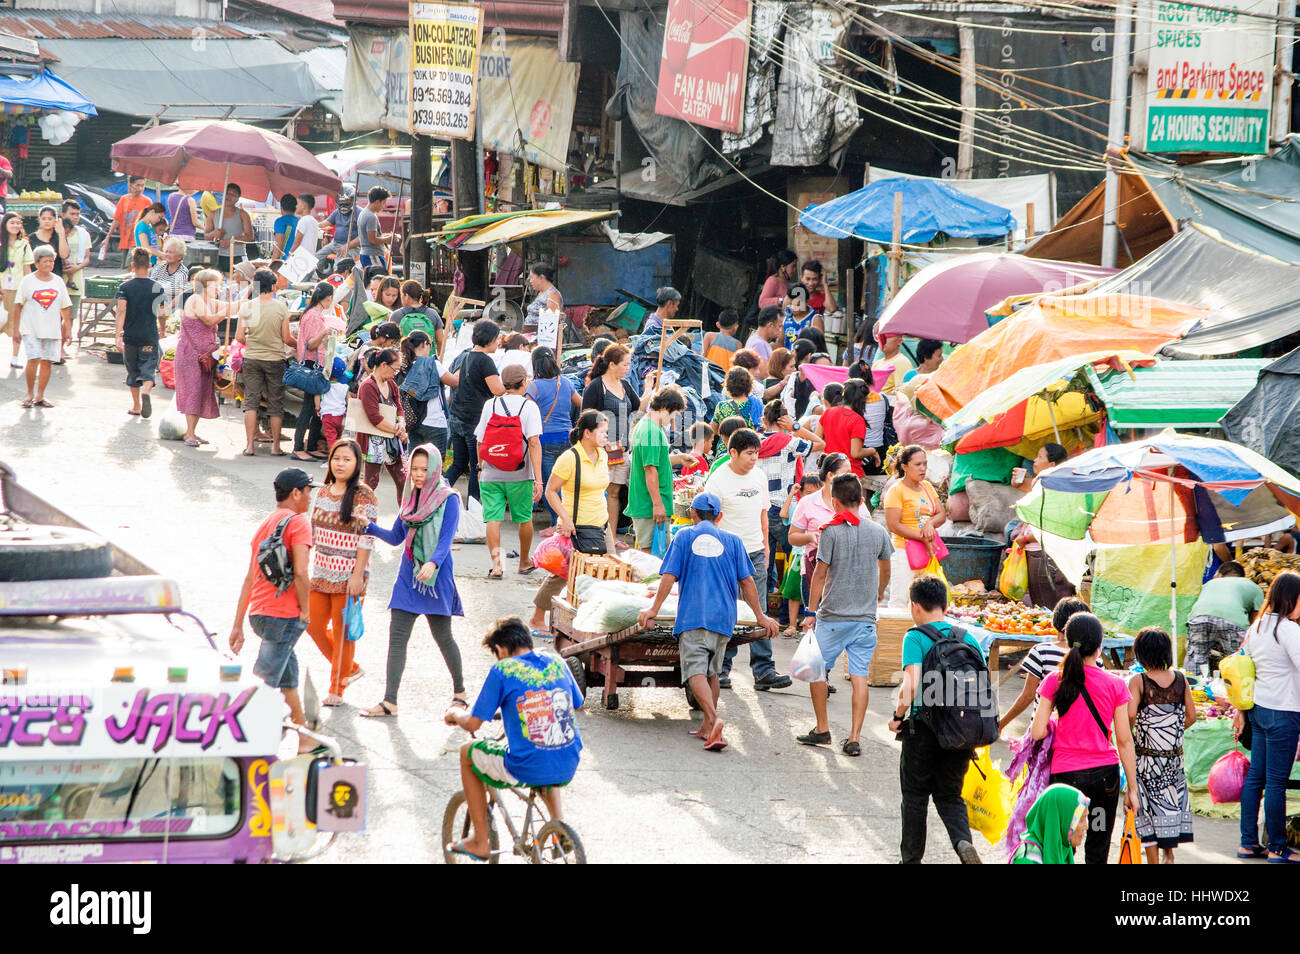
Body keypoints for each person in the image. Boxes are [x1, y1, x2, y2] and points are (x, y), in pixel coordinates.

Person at [639, 492, 780, 751]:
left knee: (694, 670)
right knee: (712, 672)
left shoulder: (684, 536)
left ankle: (714, 720)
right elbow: (748, 581)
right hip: (724, 618)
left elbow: (669, 577)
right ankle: (706, 726)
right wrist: (760, 616)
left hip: (694, 615)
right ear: (720, 516)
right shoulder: (734, 541)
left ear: (692, 513)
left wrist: (653, 610)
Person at [443, 616, 583, 861]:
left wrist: (455, 713)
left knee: (467, 752)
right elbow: (577, 703)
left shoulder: (503, 669)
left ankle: (480, 841)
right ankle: (558, 827)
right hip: (569, 761)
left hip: (526, 765)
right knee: (546, 751)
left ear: (500, 649)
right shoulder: (556, 661)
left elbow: (474, 722)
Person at [362, 444, 467, 718]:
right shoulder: (410, 498)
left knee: (443, 637)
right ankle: (389, 702)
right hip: (409, 576)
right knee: (396, 639)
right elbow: (397, 536)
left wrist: (432, 563)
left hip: (436, 576)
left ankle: (460, 694)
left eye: (424, 469)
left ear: (434, 468)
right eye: (414, 469)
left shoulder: (448, 498)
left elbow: (445, 541)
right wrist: (368, 526)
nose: (418, 475)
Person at [888, 575, 987, 864]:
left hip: (924, 730)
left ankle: (911, 861)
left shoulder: (915, 636)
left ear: (915, 606)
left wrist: (897, 717)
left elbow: (912, 684)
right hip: (960, 731)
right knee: (950, 795)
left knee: (916, 796)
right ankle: (962, 843)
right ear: (945, 605)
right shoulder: (967, 637)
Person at [1031, 612, 1139, 865]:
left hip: (1067, 780)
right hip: (1104, 781)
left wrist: (1058, 723)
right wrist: (1132, 789)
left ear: (1068, 643)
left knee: (1065, 845)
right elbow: (1124, 741)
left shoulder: (1053, 681)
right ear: (1100, 648)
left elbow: (1037, 732)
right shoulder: (1115, 685)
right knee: (1098, 844)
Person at [799, 475, 893, 756]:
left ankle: (822, 728)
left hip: (832, 617)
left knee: (817, 670)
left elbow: (820, 572)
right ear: (862, 501)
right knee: (859, 676)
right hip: (864, 618)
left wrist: (810, 611)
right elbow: (886, 568)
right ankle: (854, 738)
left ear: (836, 503)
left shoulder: (831, 532)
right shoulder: (878, 532)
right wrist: (880, 591)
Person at [229, 467, 318, 749]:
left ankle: (304, 737)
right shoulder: (299, 522)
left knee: (288, 676)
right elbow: (302, 573)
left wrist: (238, 624)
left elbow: (248, 577)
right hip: (284, 614)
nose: (309, 497)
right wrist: (305, 610)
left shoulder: (267, 522)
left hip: (259, 612)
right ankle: (240, 737)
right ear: (295, 493)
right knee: (264, 681)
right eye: (307, 491)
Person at [704, 428, 792, 691]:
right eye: (749, 453)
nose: (754, 458)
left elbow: (763, 513)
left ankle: (764, 670)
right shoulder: (717, 480)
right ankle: (721, 669)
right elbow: (709, 520)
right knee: (727, 611)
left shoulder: (759, 476)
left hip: (754, 551)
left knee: (759, 611)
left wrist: (765, 545)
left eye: (756, 453)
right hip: (726, 554)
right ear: (733, 453)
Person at [1234, 570, 1300, 862]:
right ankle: (1278, 847)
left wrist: (1240, 711)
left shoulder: (1257, 626)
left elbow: (1242, 670)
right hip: (1283, 712)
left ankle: (1248, 843)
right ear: (1291, 599)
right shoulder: (1287, 629)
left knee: (1256, 780)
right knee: (1275, 783)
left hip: (1258, 710)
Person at [305, 439, 376, 706]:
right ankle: (351, 667)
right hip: (321, 573)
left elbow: (367, 538)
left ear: (357, 463)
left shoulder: (364, 495)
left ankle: (337, 688)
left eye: (347, 459)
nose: (341, 463)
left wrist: (358, 575)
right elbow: (313, 530)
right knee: (313, 626)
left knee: (344, 631)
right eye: (337, 458)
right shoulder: (323, 492)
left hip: (349, 577)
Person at [529, 411, 610, 636]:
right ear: (587, 433)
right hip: (574, 526)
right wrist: (564, 518)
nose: (606, 436)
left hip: (601, 525)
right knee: (562, 574)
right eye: (602, 432)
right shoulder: (570, 458)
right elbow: (551, 491)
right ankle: (537, 619)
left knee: (604, 573)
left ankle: (584, 621)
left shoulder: (602, 455)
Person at [1126, 626, 1196, 863]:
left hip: (1147, 760)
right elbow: (1191, 717)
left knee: (1147, 812)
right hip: (1174, 759)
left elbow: (1130, 716)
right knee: (1170, 805)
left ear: (1141, 654)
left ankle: (1155, 861)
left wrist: (1144, 734)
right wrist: (1171, 733)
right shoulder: (1181, 679)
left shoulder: (1139, 681)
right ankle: (1169, 853)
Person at [476, 364, 543, 578]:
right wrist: (539, 480)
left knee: (493, 519)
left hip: (491, 472)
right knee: (524, 518)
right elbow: (534, 443)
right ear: (524, 382)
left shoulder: (491, 404)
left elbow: (480, 440)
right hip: (520, 474)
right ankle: (524, 562)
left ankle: (497, 565)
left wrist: (480, 467)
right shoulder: (529, 407)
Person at [998, 596, 1092, 734]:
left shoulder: (1041, 652)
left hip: (1043, 732)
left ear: (1055, 621)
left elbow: (1028, 696)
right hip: (1077, 732)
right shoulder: (1092, 656)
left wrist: (1001, 724)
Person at [757, 398, 822, 595]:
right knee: (793, 559)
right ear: (783, 419)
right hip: (784, 510)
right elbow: (820, 443)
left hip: (760, 508)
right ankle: (787, 610)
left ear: (764, 420)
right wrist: (795, 427)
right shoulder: (790, 442)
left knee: (763, 561)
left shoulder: (756, 442)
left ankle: (763, 609)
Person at [581, 343, 641, 548]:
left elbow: (637, 406)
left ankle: (612, 536)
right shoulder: (596, 386)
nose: (628, 368)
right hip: (600, 451)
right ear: (612, 364)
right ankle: (597, 535)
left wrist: (651, 388)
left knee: (614, 493)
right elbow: (585, 420)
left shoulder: (625, 385)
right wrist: (602, 442)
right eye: (625, 364)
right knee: (599, 492)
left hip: (621, 450)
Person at [235, 269, 294, 456]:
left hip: (252, 358)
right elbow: (286, 338)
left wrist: (253, 341)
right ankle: (276, 447)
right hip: (275, 359)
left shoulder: (248, 307)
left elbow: (238, 336)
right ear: (274, 286)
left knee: (250, 402)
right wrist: (301, 345)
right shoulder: (281, 307)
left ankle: (249, 446)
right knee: (275, 403)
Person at [445, 319, 505, 501]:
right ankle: (473, 508)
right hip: (475, 421)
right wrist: (516, 385)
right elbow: (498, 390)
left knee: (459, 463)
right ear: (489, 339)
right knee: (477, 467)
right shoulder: (485, 361)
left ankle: (433, 494)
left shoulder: (467, 356)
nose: (498, 342)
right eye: (496, 338)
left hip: (457, 418)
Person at [627, 386, 687, 550]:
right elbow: (650, 469)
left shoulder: (649, 427)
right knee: (650, 558)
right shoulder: (651, 431)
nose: (673, 419)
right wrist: (657, 504)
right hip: (649, 506)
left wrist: (679, 458)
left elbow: (654, 461)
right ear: (665, 409)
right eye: (674, 414)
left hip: (649, 504)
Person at [526, 346, 581, 524]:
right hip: (567, 439)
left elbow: (525, 410)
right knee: (565, 481)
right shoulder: (565, 382)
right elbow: (582, 403)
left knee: (550, 484)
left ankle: (558, 521)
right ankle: (564, 519)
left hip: (544, 441)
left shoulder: (534, 386)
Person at [14, 244, 70, 410]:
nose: (49, 264)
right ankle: (30, 394)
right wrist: (16, 329)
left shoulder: (58, 281)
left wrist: (67, 329)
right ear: (36, 263)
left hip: (52, 329)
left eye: (51, 261)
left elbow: (65, 307)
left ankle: (40, 396)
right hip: (30, 327)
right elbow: (18, 306)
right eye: (45, 261)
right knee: (33, 359)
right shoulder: (27, 281)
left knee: (47, 362)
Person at [175, 267, 226, 446]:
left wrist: (251, 296)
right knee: (193, 391)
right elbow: (210, 320)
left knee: (201, 391)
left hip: (204, 356)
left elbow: (232, 306)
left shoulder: (209, 301)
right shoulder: (196, 299)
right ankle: (189, 433)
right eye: (215, 285)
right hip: (191, 354)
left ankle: (192, 432)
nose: (218, 289)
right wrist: (226, 311)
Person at [1185, 561, 1264, 676]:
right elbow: (1256, 619)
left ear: (1219, 574)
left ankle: (1195, 687)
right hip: (1232, 621)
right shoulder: (1253, 586)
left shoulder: (1210, 583)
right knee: (1237, 661)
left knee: (1197, 659)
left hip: (1199, 618)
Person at [114, 247, 166, 419]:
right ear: (150, 265)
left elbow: (121, 311)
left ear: (132, 265)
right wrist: (163, 328)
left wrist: (117, 335)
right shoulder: (157, 287)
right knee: (148, 369)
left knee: (133, 371)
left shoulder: (125, 287)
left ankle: (136, 406)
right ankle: (146, 392)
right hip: (149, 336)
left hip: (131, 336)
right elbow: (162, 312)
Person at [290, 282, 339, 462]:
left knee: (315, 406)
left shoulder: (314, 314)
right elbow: (311, 343)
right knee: (309, 407)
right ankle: (298, 448)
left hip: (315, 364)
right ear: (328, 298)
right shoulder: (313, 316)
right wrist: (325, 332)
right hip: (311, 364)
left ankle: (310, 446)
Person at [884, 445, 948, 576]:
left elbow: (941, 514)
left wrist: (930, 524)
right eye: (917, 464)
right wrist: (921, 537)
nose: (923, 468)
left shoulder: (927, 486)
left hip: (927, 549)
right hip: (904, 551)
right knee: (902, 596)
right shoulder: (896, 491)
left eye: (925, 464)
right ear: (904, 467)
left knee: (927, 595)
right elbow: (893, 525)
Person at [356, 348, 408, 495]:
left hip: (392, 441)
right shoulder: (368, 386)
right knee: (371, 483)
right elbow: (374, 418)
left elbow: (399, 408)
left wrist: (401, 424)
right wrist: (397, 431)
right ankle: (362, 515)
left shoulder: (391, 385)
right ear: (384, 365)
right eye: (394, 370)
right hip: (373, 443)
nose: (395, 374)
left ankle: (405, 517)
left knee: (403, 481)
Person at [779, 473, 820, 636]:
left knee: (813, 592)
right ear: (801, 492)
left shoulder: (822, 505)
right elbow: (783, 514)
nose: (810, 496)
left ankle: (810, 626)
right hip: (798, 554)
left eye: (815, 492)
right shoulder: (799, 505)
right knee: (794, 591)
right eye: (807, 492)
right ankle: (792, 625)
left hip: (816, 555)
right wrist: (791, 494)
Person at [398, 329, 451, 455]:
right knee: (435, 464)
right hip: (434, 422)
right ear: (424, 344)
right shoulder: (431, 363)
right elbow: (454, 381)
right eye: (430, 344)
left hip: (413, 421)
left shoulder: (404, 364)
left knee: (414, 462)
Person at [1010, 784, 1090, 864]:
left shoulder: (1062, 848)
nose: (1086, 826)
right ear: (1059, 820)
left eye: (1086, 817)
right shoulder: (1027, 858)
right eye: (1081, 820)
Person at [818, 379, 881, 476]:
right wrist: (873, 451)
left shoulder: (828, 412)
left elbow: (818, 439)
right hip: (850, 474)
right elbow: (856, 453)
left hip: (829, 473)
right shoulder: (857, 420)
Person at [60, 200, 91, 361]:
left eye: (78, 214)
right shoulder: (58, 232)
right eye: (72, 214)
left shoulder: (83, 233)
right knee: (57, 316)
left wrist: (76, 268)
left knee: (70, 317)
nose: (75, 217)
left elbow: (86, 258)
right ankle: (56, 348)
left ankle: (62, 348)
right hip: (60, 279)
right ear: (63, 214)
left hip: (76, 279)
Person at [2, 211, 32, 368]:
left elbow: (27, 268)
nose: (15, 226)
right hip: (1, 290)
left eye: (18, 223)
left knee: (16, 325)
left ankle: (14, 358)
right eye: (12, 222)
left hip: (17, 289)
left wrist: (29, 288)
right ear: (5, 225)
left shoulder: (25, 244)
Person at [207, 183, 255, 272]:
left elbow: (249, 237)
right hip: (217, 256)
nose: (229, 196)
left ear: (237, 198)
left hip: (237, 256)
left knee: (240, 283)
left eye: (233, 194)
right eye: (227, 193)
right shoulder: (213, 214)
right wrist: (214, 234)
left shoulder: (243, 214)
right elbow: (206, 236)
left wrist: (231, 241)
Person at [390, 279, 445, 352]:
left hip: (405, 361)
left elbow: (390, 342)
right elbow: (440, 341)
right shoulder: (432, 314)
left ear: (406, 295)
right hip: (427, 360)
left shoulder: (396, 315)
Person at [104, 176, 151, 256]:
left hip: (138, 241)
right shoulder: (123, 200)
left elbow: (150, 222)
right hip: (125, 241)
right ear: (130, 185)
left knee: (130, 265)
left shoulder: (147, 202)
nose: (140, 188)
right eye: (138, 185)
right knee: (124, 266)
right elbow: (117, 220)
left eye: (142, 186)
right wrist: (108, 237)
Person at [320, 185, 360, 264]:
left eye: (347, 200)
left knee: (339, 265)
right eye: (341, 201)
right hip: (334, 244)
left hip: (351, 247)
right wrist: (313, 225)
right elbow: (325, 224)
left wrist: (347, 246)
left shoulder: (359, 213)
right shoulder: (336, 212)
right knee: (315, 258)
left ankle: (339, 275)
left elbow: (362, 237)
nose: (343, 203)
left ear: (353, 200)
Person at [150, 237, 189, 316]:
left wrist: (167, 308)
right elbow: (150, 288)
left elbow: (180, 295)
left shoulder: (182, 272)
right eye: (166, 251)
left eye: (171, 252)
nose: (167, 254)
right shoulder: (158, 268)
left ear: (179, 257)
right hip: (155, 302)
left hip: (172, 305)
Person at [524, 261, 563, 335]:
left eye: (532, 277)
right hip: (530, 334)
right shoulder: (541, 293)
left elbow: (554, 322)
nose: (531, 281)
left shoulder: (552, 294)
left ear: (541, 277)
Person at [30, 206, 69, 280]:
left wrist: (61, 234)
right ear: (39, 220)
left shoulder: (59, 237)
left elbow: (64, 255)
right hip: (36, 278)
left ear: (55, 220)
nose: (47, 221)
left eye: (50, 219)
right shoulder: (32, 238)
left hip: (55, 277)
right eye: (43, 219)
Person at [357, 187, 392, 269]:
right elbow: (372, 240)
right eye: (383, 203)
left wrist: (386, 236)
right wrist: (388, 239)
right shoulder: (370, 216)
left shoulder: (364, 213)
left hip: (368, 254)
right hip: (372, 255)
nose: (383, 206)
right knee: (378, 280)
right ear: (377, 202)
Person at [782, 282, 822, 348]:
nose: (793, 308)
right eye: (791, 304)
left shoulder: (815, 319)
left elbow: (820, 347)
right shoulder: (785, 318)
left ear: (806, 302)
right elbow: (780, 343)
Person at [271, 193, 299, 263]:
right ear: (296, 208)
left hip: (284, 262)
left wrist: (272, 264)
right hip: (298, 260)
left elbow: (279, 245)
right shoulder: (299, 221)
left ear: (281, 207)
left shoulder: (280, 222)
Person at [290, 193, 319, 257]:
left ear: (303, 205)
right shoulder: (314, 221)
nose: (296, 206)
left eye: (297, 204)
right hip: (310, 260)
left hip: (301, 259)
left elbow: (296, 244)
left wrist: (288, 256)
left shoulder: (303, 221)